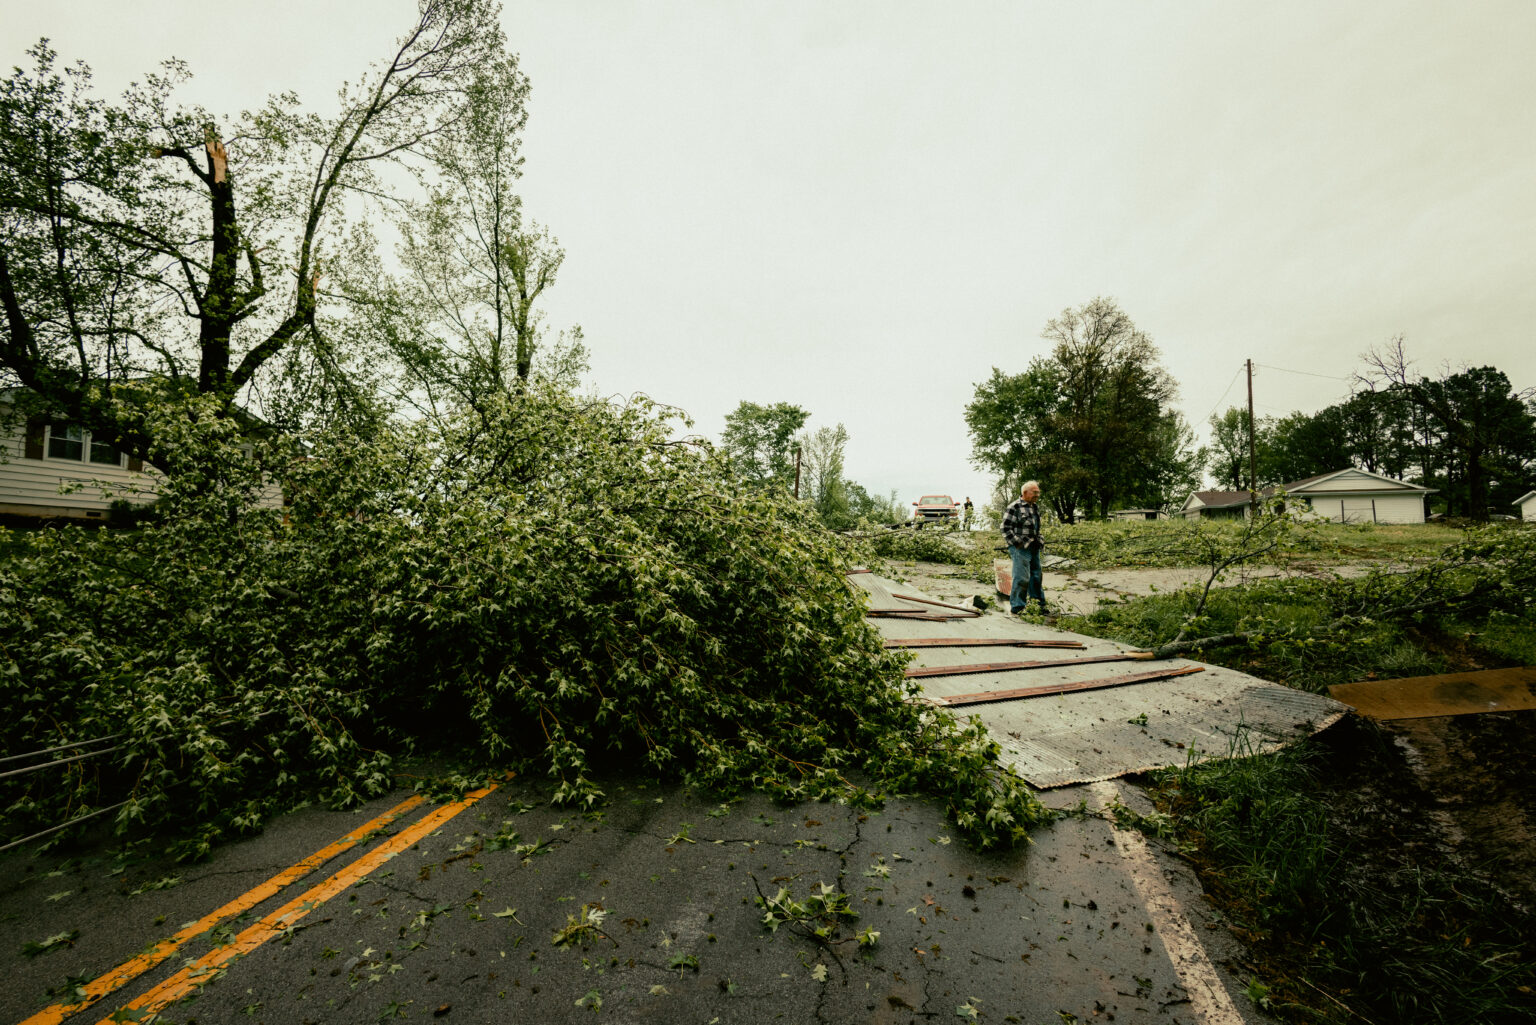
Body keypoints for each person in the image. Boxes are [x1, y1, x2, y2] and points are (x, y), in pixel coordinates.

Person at [1001, 480, 1047, 615]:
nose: (1037, 495)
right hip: (1020, 548)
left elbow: (1035, 527)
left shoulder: (1035, 506)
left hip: (1034, 546)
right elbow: (1005, 528)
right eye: (1035, 492)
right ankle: (1018, 607)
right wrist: (1018, 543)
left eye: (1038, 492)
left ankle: (1038, 605)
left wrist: (1039, 539)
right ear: (1025, 492)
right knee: (1022, 577)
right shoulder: (1014, 507)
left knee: (1036, 576)